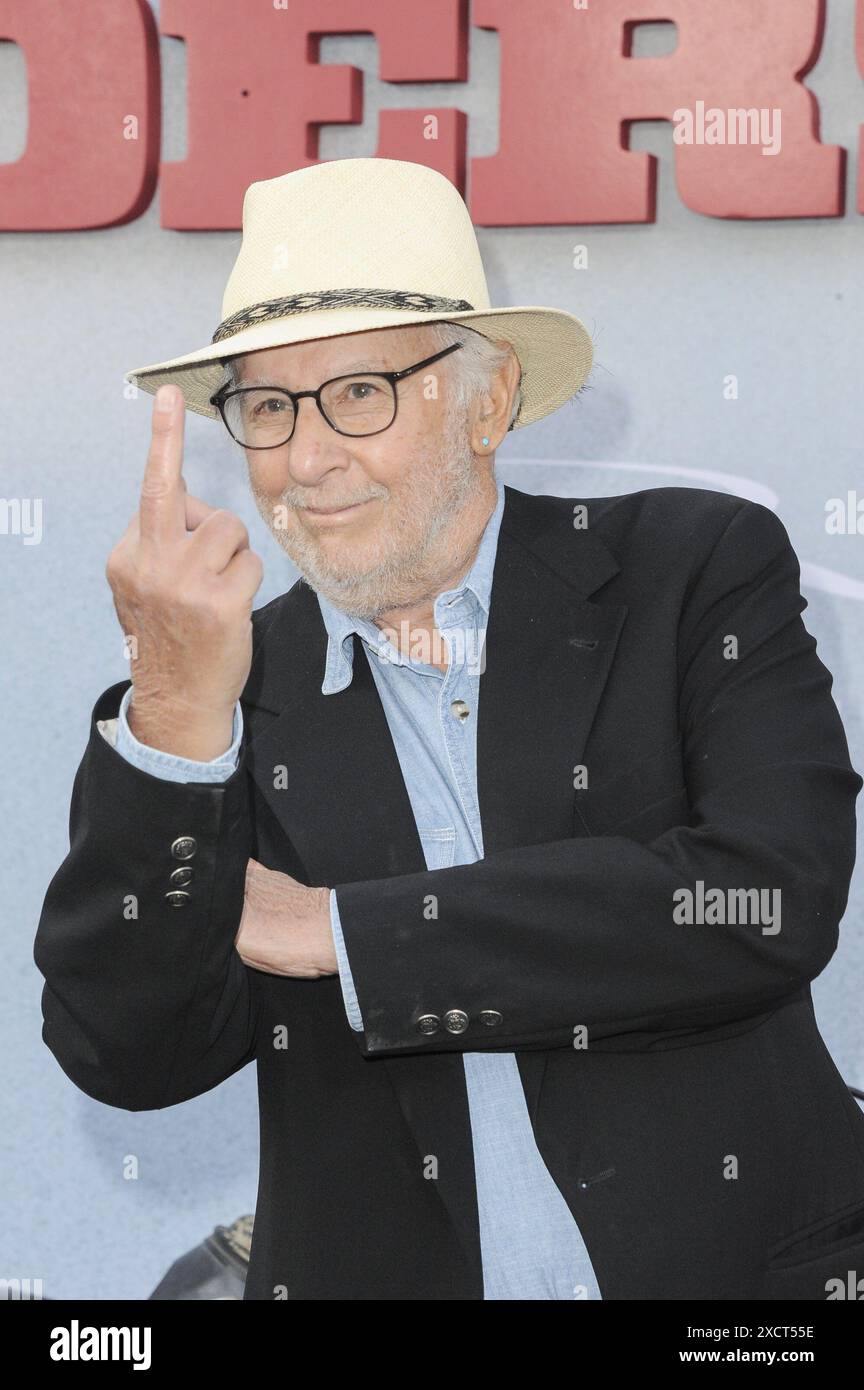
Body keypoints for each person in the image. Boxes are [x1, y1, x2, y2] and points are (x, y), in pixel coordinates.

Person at [34, 157, 864, 1301]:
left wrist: (354, 935)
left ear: (486, 399)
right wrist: (175, 716)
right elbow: (130, 1055)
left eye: (359, 392)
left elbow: (768, 896)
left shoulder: (692, 569)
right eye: (268, 406)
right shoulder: (221, 695)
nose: (306, 457)